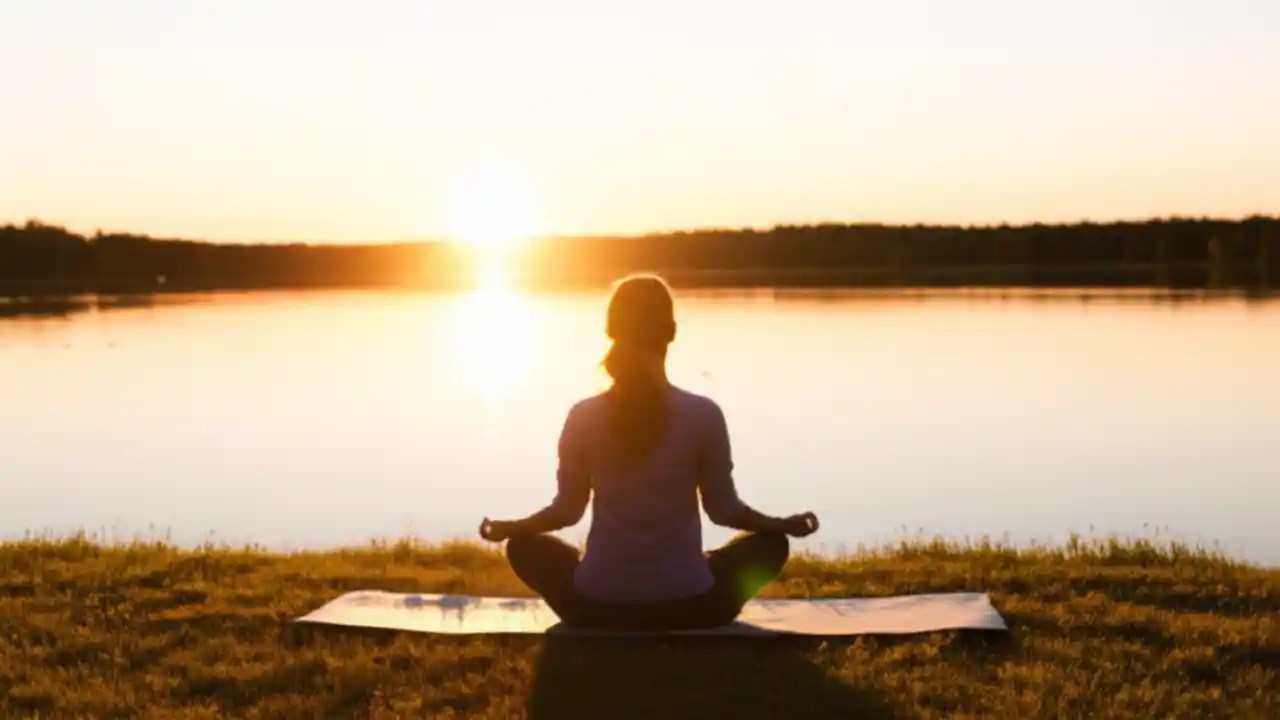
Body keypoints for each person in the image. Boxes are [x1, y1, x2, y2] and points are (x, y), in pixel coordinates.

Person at [478, 275, 818, 630]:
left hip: (596, 608)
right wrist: (781, 526)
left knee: (522, 547)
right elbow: (723, 510)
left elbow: (567, 510)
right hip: (693, 608)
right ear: (671, 332)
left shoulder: (583, 416)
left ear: (612, 331)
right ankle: (687, 572)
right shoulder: (703, 415)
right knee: (770, 545)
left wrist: (512, 528)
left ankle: (622, 578)